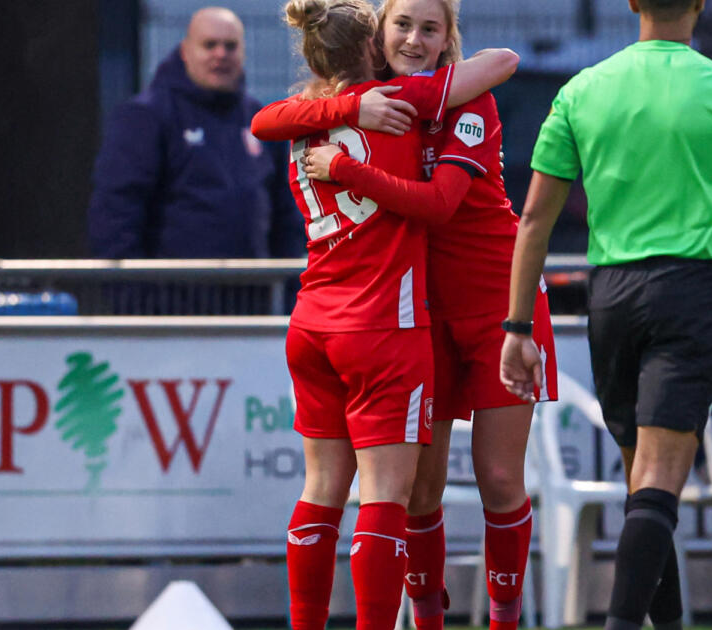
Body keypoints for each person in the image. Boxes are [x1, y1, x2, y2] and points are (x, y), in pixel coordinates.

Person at [500, 0, 712, 627]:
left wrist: (516, 326)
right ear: (699, 5)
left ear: (633, 4)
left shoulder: (581, 90)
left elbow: (533, 218)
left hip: (609, 296)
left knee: (643, 481)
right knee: (660, 481)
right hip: (686, 291)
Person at [251, 1, 557, 627]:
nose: (414, 40)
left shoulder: (460, 98)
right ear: (377, 35)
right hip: (413, 312)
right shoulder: (375, 101)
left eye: (430, 28)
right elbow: (267, 117)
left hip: (496, 306)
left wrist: (346, 167)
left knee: (499, 479)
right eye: (402, 26)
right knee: (417, 490)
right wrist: (348, 110)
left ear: (449, 38)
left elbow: (444, 200)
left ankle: (504, 614)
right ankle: (426, 617)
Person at [87, 7, 303, 261]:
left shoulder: (262, 121)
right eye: (209, 45)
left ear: (243, 53)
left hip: (254, 295)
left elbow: (288, 217)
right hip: (171, 296)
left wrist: (288, 290)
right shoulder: (145, 117)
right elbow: (116, 213)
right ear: (185, 52)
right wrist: (135, 295)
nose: (220, 54)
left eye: (230, 46)